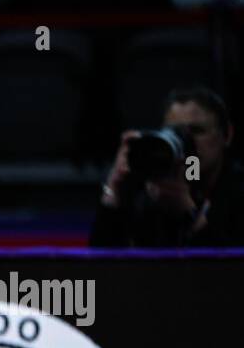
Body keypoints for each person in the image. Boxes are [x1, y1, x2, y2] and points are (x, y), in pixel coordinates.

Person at [91, 86, 244, 248]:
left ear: (227, 134)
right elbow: (101, 267)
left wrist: (188, 213)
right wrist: (113, 192)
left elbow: (228, 270)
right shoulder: (151, 192)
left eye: (197, 131)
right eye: (176, 132)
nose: (187, 142)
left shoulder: (238, 194)